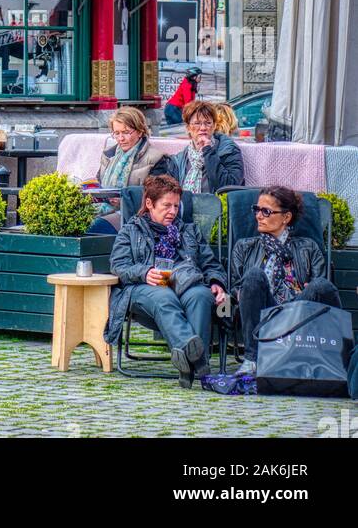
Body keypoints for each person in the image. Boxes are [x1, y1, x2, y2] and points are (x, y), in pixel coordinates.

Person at [105, 174, 228, 388]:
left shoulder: (189, 231)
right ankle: (199, 362)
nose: (173, 211)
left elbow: (210, 264)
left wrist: (217, 282)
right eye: (167, 205)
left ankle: (186, 369)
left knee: (201, 295)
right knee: (164, 296)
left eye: (176, 206)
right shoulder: (131, 231)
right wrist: (144, 272)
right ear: (150, 204)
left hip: (186, 283)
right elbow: (119, 266)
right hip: (145, 288)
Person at [231, 185, 342, 376]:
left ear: (286, 217)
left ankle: (340, 358)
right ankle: (252, 360)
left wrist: (308, 290)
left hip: (298, 314)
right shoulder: (244, 247)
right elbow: (235, 286)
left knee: (321, 285)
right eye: (256, 210)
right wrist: (245, 291)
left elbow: (320, 287)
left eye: (266, 211)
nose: (258, 216)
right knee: (254, 275)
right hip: (262, 315)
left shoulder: (309, 248)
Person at [86, 107, 170, 235]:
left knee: (95, 226)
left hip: (135, 216)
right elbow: (99, 184)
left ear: (140, 131)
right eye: (116, 133)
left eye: (126, 132)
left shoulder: (156, 158)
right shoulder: (109, 154)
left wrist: (124, 199)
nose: (121, 138)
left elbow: (157, 198)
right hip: (106, 209)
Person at [154, 99, 245, 193]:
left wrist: (208, 151)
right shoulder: (180, 160)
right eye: (197, 123)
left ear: (214, 126)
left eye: (208, 123)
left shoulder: (228, 150)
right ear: (188, 127)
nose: (203, 128)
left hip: (217, 206)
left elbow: (230, 186)